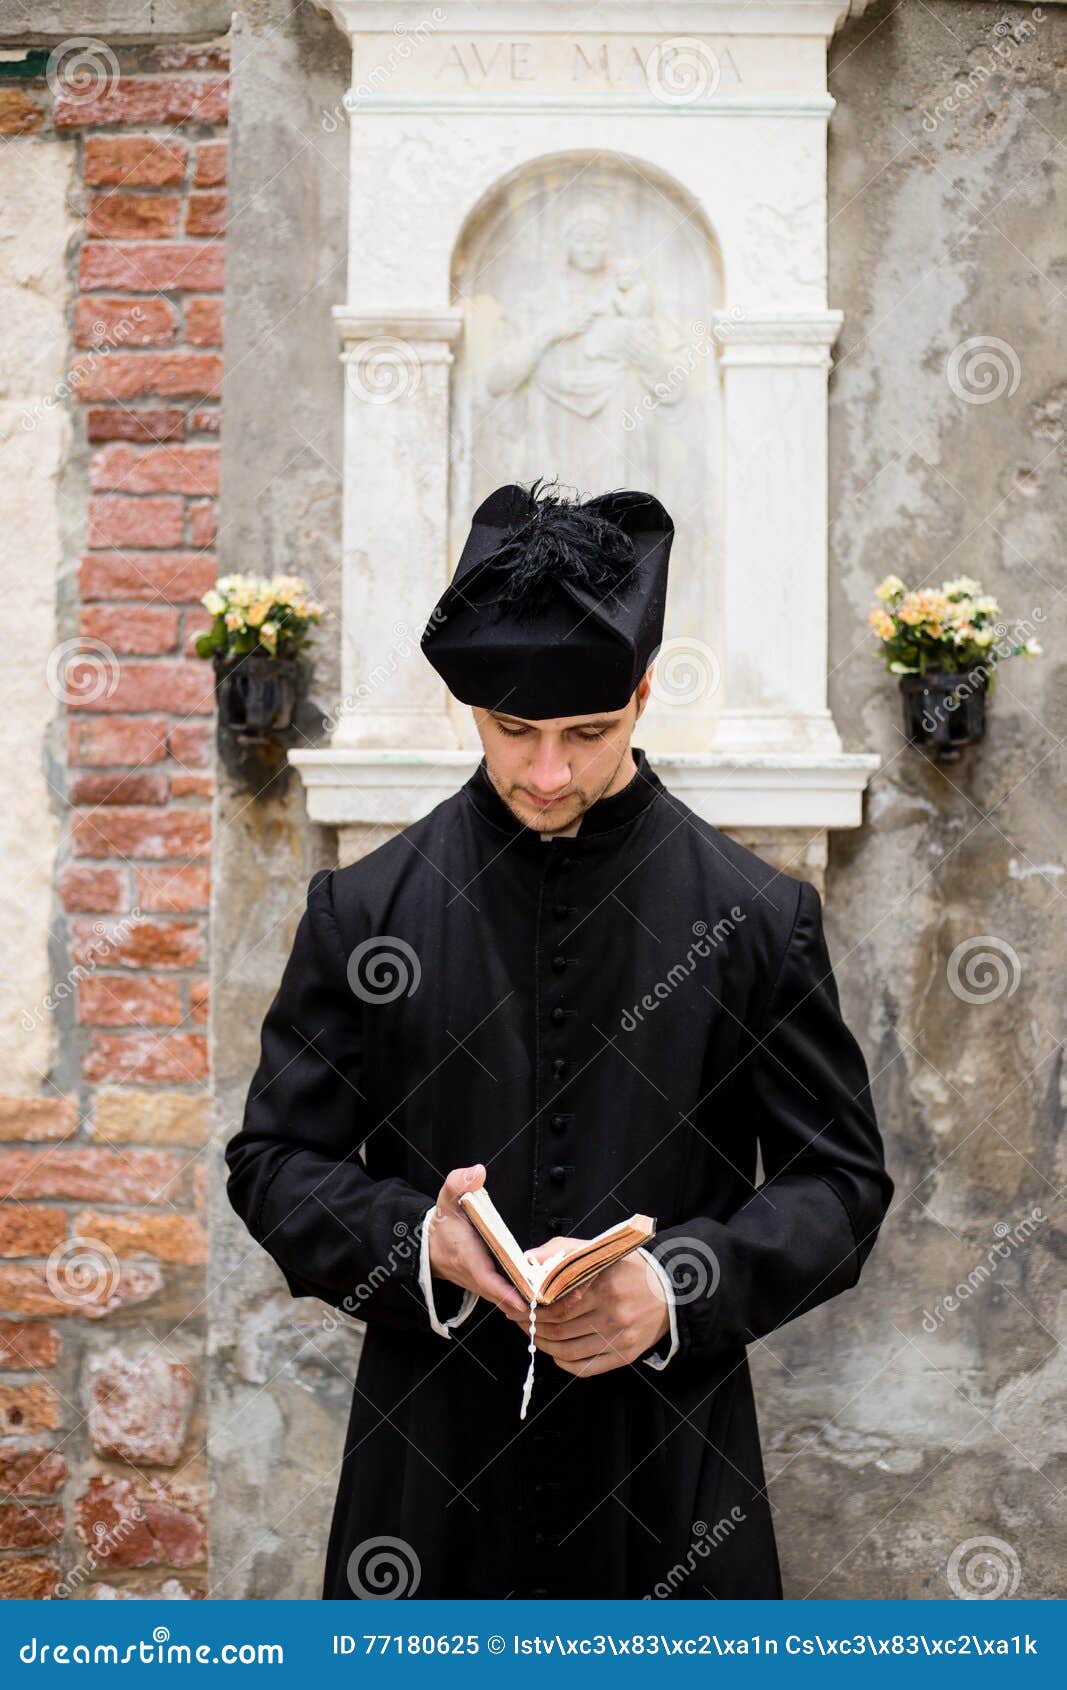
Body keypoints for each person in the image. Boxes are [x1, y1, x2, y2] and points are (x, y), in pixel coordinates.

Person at [225, 480, 893, 1600]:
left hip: (668, 1472)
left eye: (586, 734)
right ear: (471, 713)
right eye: (512, 732)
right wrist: (418, 1242)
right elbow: (271, 1165)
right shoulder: (366, 910)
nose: (546, 773)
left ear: (639, 697)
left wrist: (680, 1281)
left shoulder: (754, 917)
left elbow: (841, 1182)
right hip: (428, 1478)